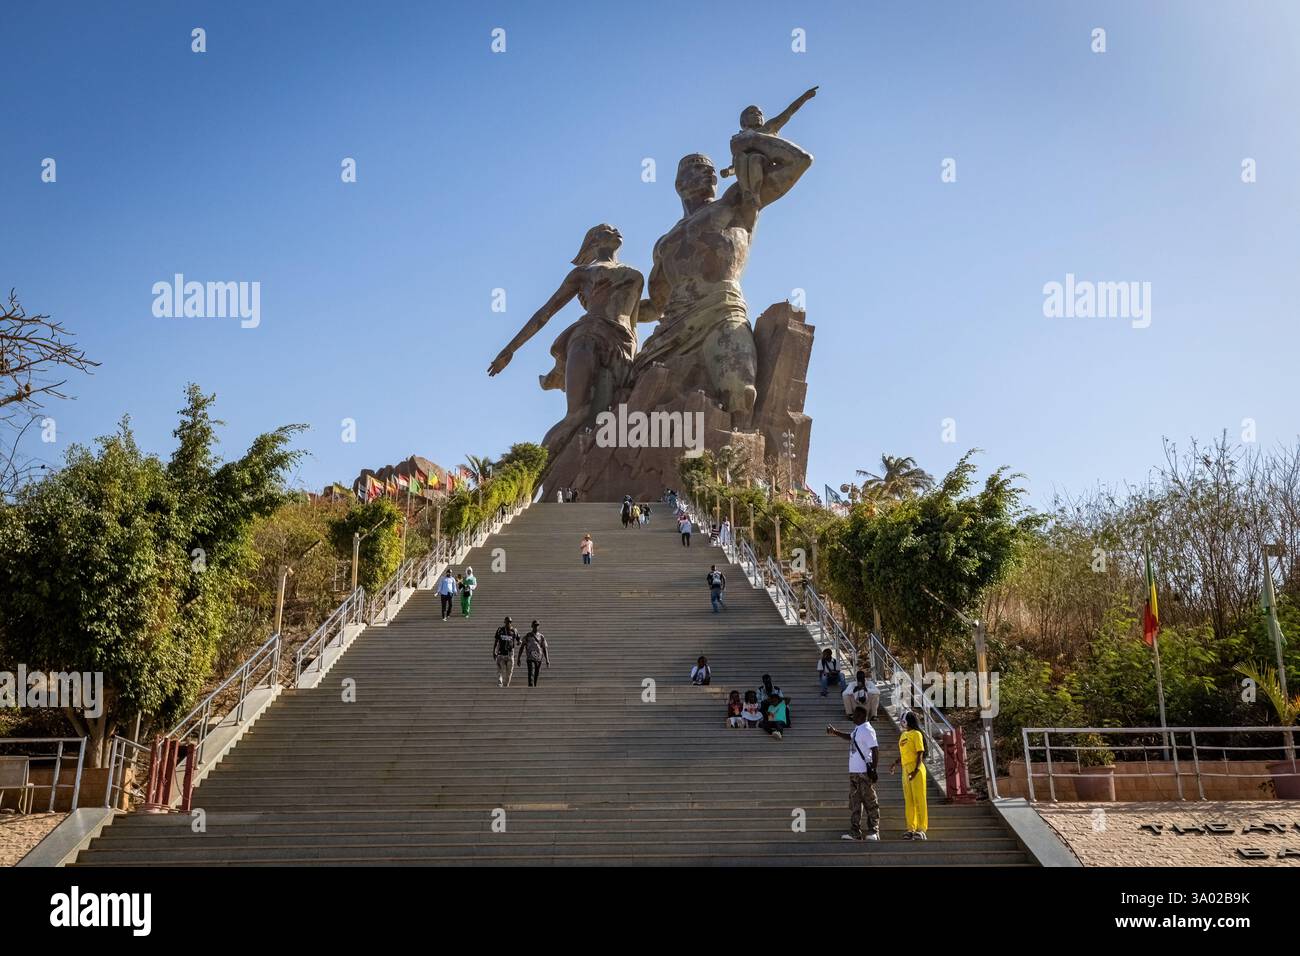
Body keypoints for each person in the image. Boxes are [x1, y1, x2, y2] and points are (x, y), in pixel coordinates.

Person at [720, 87, 818, 206]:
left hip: (763, 163)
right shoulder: (737, 139)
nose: (757, 114)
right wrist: (728, 172)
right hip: (745, 168)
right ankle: (746, 191)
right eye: (752, 113)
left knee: (755, 159)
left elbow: (788, 113)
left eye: (759, 113)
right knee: (740, 157)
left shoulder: (768, 128)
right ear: (743, 122)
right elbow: (736, 165)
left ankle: (755, 194)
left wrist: (804, 97)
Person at [826, 706, 880, 842]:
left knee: (870, 802)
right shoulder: (858, 729)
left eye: (855, 715)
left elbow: (875, 750)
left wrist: (873, 769)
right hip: (854, 773)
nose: (853, 717)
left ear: (862, 716)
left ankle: (874, 831)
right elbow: (850, 737)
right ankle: (855, 832)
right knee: (855, 803)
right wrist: (835, 732)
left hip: (863, 773)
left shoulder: (867, 729)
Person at [891, 711, 929, 841]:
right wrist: (895, 763)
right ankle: (910, 829)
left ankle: (921, 829)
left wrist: (915, 771)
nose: (902, 721)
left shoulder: (917, 734)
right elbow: (904, 755)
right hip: (905, 769)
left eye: (903, 719)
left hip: (916, 769)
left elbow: (920, 753)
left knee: (919, 799)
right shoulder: (903, 735)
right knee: (909, 801)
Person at [517, 619, 550, 687]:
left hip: (538, 657)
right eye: (535, 626)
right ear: (532, 626)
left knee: (536, 673)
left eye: (537, 626)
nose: (536, 627)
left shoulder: (541, 636)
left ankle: (534, 685)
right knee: (531, 671)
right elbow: (522, 647)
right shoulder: (528, 635)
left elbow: (544, 648)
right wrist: (518, 658)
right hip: (530, 657)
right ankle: (531, 685)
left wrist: (547, 659)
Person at [492, 616, 520, 687]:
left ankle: (506, 685)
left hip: (510, 654)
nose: (508, 623)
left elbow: (518, 639)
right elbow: (496, 641)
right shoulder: (500, 630)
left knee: (509, 672)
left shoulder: (514, 631)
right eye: (507, 622)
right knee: (499, 669)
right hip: (501, 654)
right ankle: (499, 682)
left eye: (510, 622)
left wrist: (519, 642)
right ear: (504, 622)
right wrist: (494, 651)